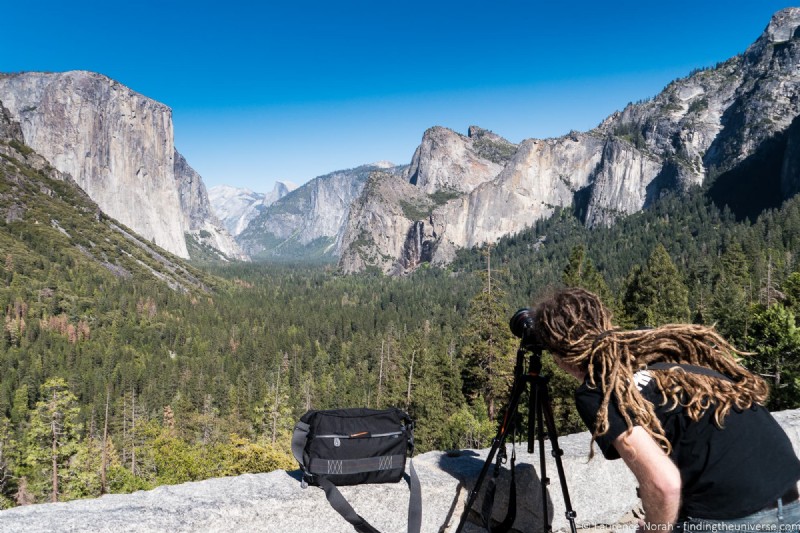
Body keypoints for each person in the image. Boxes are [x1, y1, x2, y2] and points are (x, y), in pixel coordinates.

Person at [529, 287, 800, 531]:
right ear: (604, 320)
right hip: (789, 500)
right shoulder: (668, 350)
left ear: (560, 358)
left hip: (727, 517)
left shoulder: (598, 388)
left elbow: (665, 484)